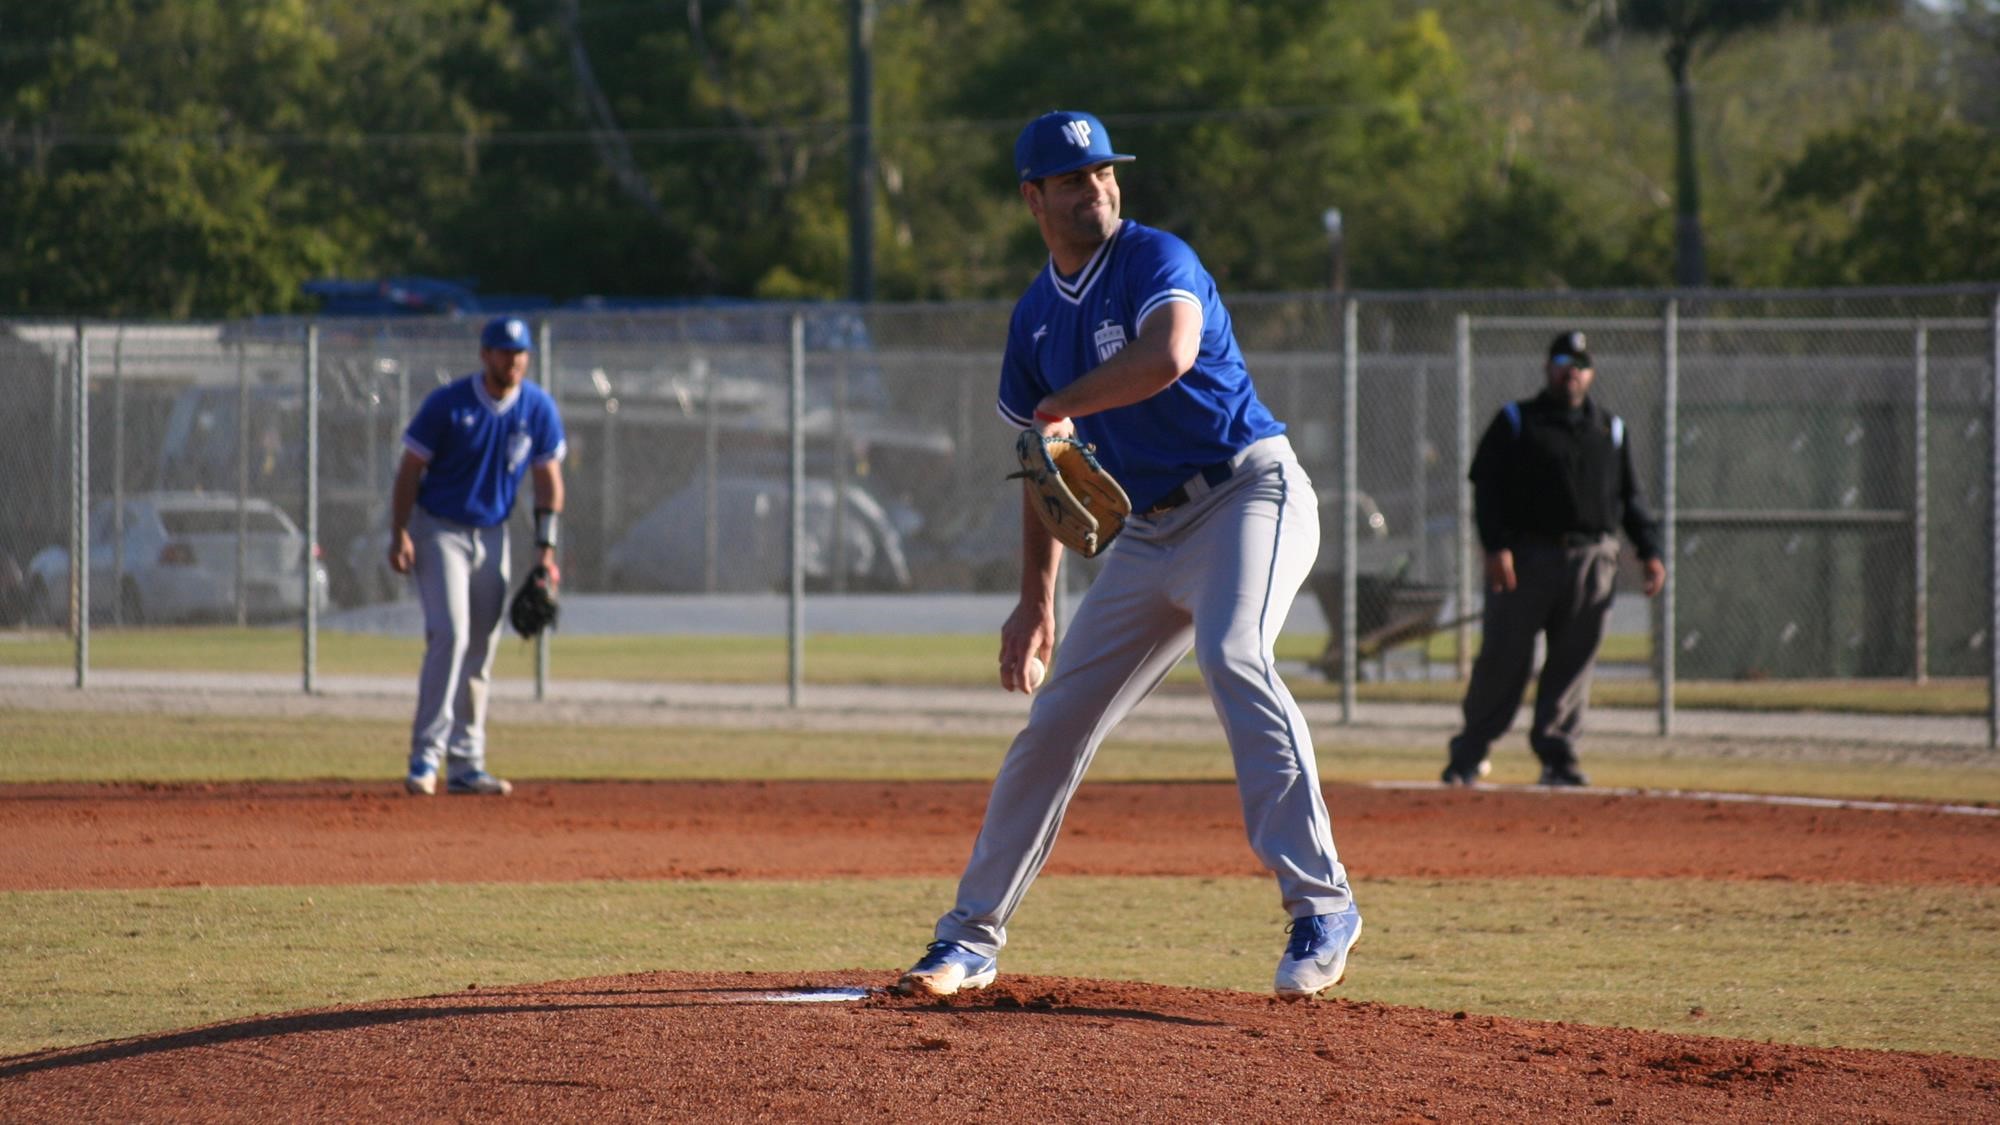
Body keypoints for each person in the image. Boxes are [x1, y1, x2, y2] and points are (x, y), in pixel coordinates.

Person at [897, 110, 1360, 1002]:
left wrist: (1059, 406)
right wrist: (1037, 602)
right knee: (1055, 724)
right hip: (1149, 535)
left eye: (1104, 172)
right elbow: (1042, 469)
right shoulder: (1035, 319)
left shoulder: (1155, 258)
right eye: (1073, 180)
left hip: (1247, 495)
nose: (1096, 188)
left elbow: (1171, 353)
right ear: (1033, 198)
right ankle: (970, 938)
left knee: (1234, 653)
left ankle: (1322, 903)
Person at [1442, 330, 1666, 788]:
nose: (1572, 371)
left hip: (1592, 559)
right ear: (1548, 367)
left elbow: (1630, 497)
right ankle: (1470, 752)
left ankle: (1557, 753)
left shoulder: (1610, 428)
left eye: (1581, 363)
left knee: (1572, 661)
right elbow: (1488, 491)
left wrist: (1650, 550)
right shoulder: (1516, 421)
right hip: (1527, 556)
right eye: (1564, 361)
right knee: (1505, 657)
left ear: (1592, 372)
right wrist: (1496, 545)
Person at [387, 316, 567, 797]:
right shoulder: (449, 404)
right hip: (439, 529)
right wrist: (399, 531)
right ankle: (426, 757)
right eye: (504, 351)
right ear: (485, 355)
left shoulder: (537, 406)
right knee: (450, 633)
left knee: (481, 646)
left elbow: (548, 478)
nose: (514, 360)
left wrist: (545, 550)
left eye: (520, 352)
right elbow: (410, 469)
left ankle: (467, 763)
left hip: (493, 535)